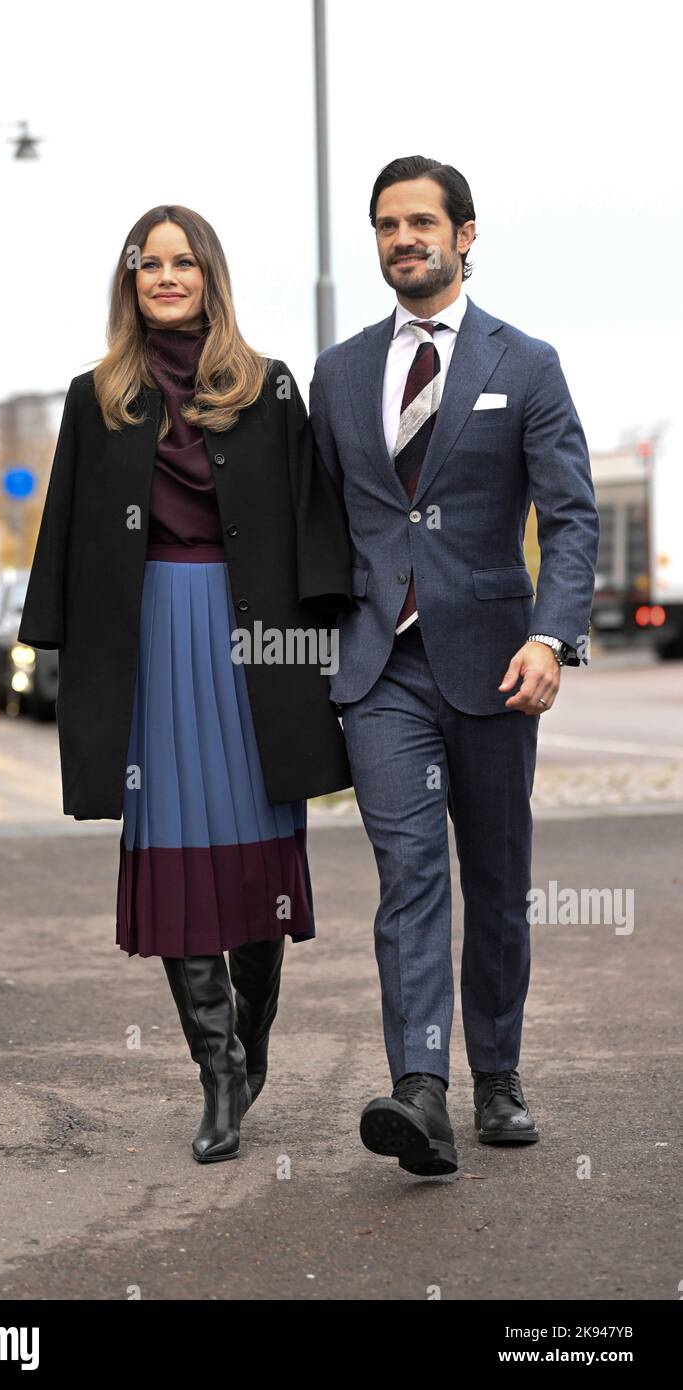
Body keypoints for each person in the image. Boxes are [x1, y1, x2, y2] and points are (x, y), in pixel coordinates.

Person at [18, 204, 352, 1165]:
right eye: (148, 264)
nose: (166, 277)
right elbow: (68, 533)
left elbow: (309, 524)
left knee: (256, 858)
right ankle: (213, 1075)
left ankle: (249, 1048)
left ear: (210, 274)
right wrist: (59, 649)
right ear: (130, 281)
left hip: (255, 645)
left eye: (183, 263)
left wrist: (328, 641)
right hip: (149, 640)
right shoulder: (97, 396)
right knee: (173, 851)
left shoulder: (269, 387)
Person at [309, 156, 599, 1177]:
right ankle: (421, 1090)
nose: (402, 239)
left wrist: (552, 636)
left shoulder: (527, 363)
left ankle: (501, 1075)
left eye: (421, 221)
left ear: (464, 234)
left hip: (494, 663)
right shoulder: (340, 374)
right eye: (386, 224)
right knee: (410, 874)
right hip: (380, 669)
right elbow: (315, 525)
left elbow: (569, 520)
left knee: (500, 880)